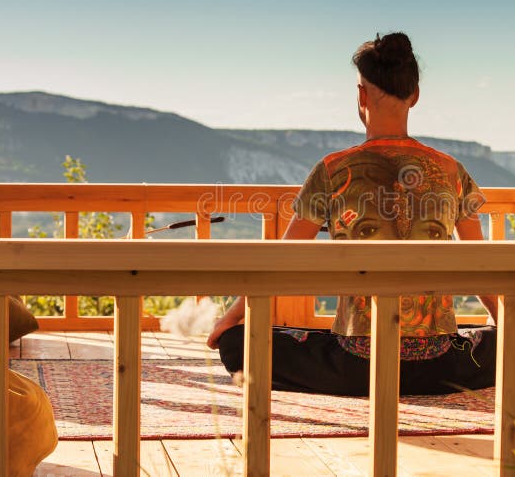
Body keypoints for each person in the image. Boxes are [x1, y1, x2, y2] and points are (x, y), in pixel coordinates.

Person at [207, 32, 498, 396]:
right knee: (496, 343)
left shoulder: (332, 170)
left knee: (237, 343)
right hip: (440, 366)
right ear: (415, 95)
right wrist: (508, 328)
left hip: (357, 365)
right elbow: (480, 265)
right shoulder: (451, 170)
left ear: (361, 95)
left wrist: (229, 320)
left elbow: (283, 260)